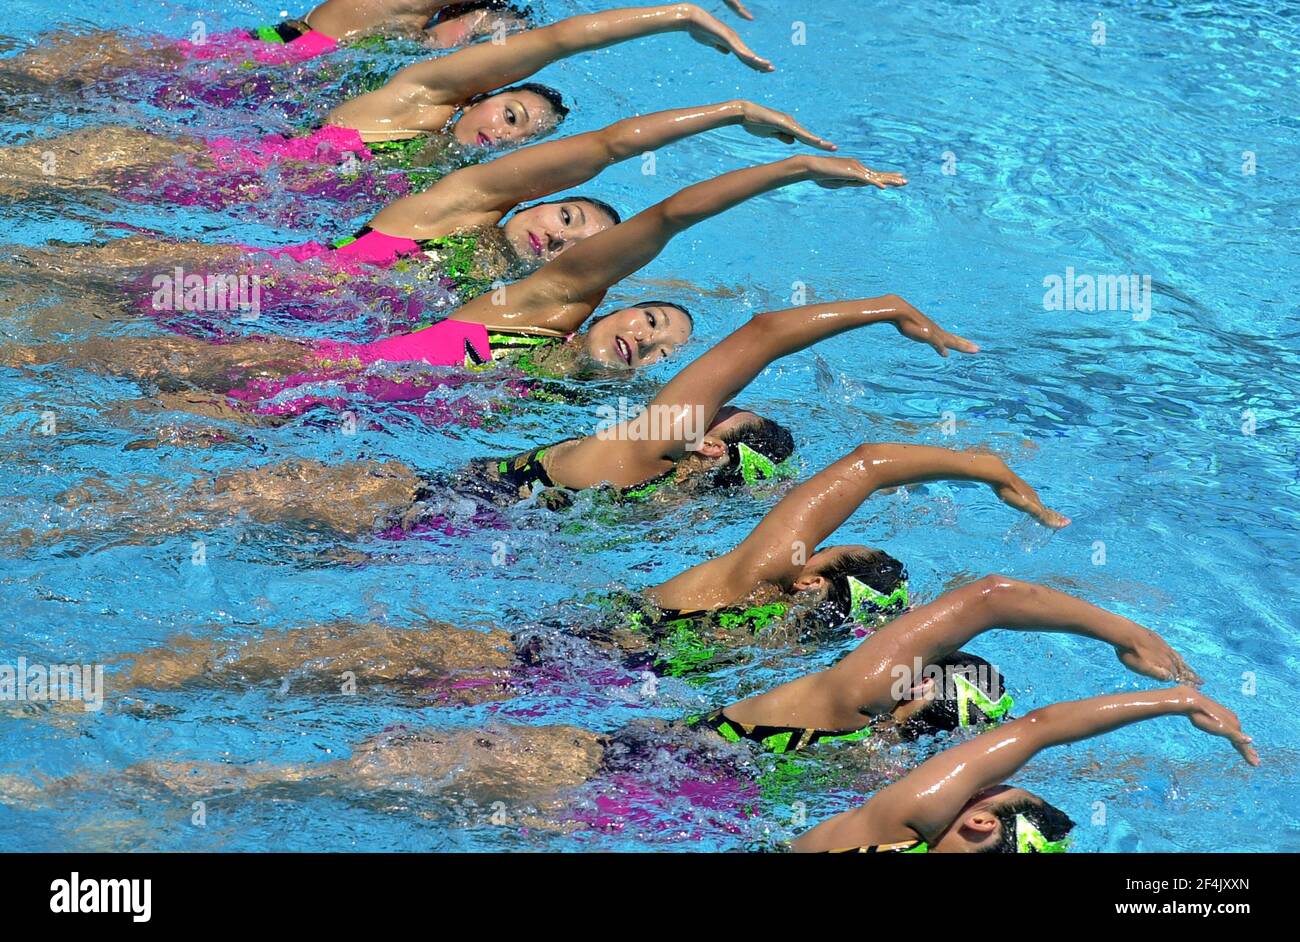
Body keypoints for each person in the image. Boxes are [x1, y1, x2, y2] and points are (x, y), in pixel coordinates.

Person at [0, 4, 773, 206]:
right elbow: (561, 40)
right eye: (489, 34)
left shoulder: (436, 160)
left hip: (186, 169)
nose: (503, 132)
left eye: (516, 133)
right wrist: (672, 12)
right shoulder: (394, 55)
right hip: (162, 112)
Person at [792, 685, 1257, 852]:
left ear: (979, 822)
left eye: (978, 792)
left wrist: (1178, 699)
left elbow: (1039, 728)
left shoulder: (894, 829)